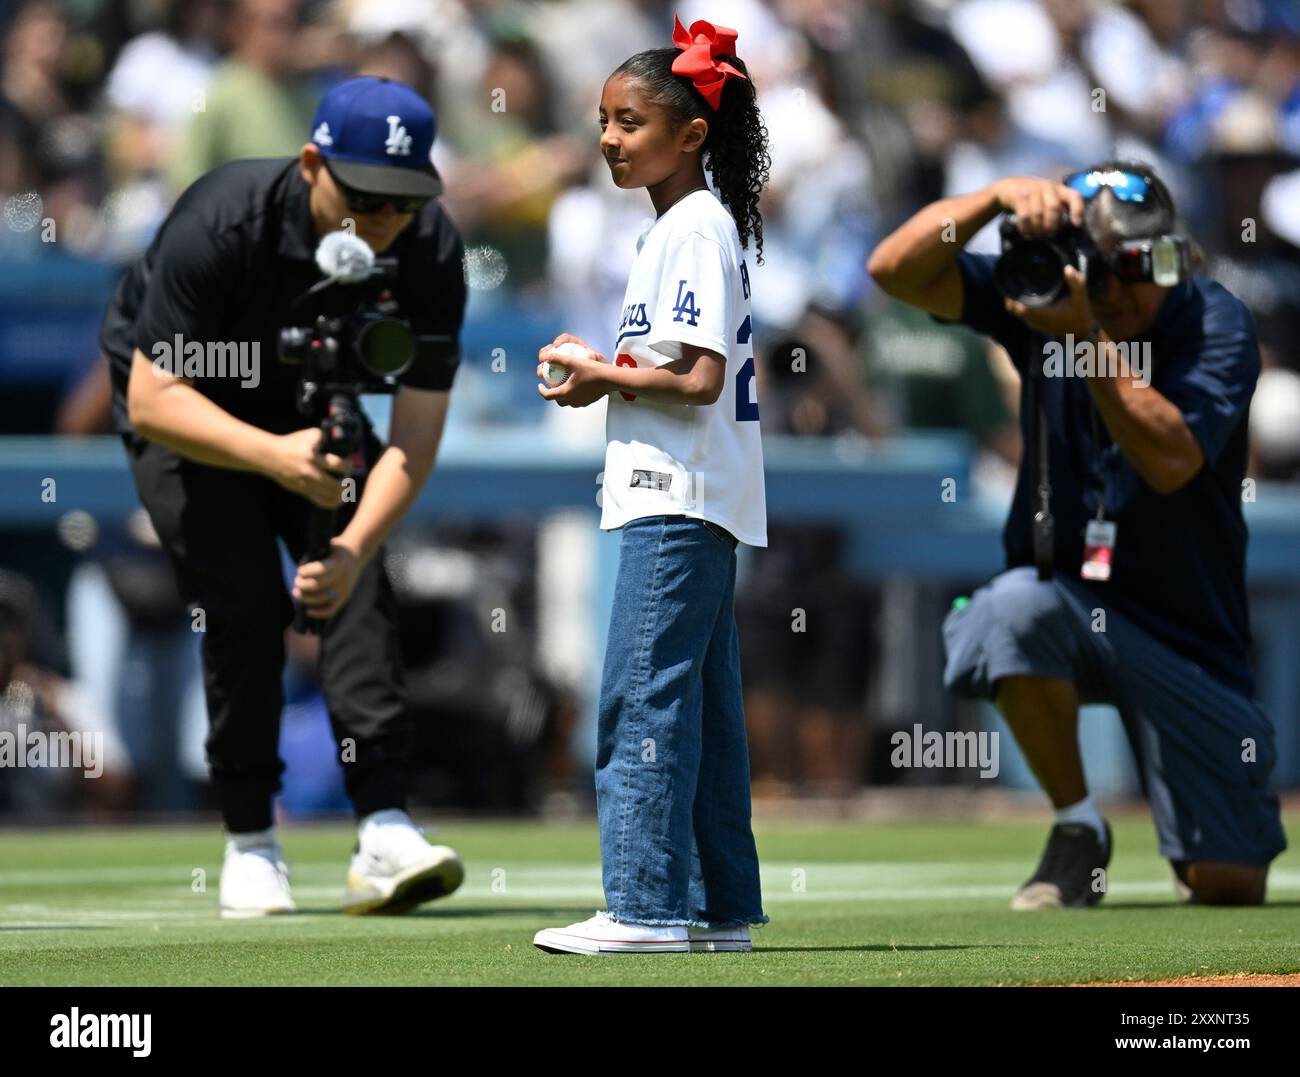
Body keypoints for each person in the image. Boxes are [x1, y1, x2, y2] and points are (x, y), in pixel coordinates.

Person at [868, 160, 1287, 908]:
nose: (1119, 290)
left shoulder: (1215, 320)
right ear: (1068, 265)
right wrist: (993, 196)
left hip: (1188, 633)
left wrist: (1085, 336)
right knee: (1002, 611)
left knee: (1226, 883)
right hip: (1067, 596)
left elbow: (1169, 459)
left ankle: (1190, 827)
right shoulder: (1039, 299)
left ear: (1173, 257)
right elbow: (893, 269)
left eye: (1139, 267)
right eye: (1100, 270)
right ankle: (1076, 827)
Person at [99, 75, 469, 918]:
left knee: (356, 579)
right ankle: (249, 840)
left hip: (309, 399)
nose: (385, 223)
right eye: (367, 198)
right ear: (312, 164)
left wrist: (347, 548)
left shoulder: (430, 250)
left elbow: (413, 437)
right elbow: (157, 395)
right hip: (192, 401)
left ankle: (383, 821)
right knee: (243, 604)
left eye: (405, 203)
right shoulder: (222, 220)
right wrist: (272, 457)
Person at [531, 17, 771, 954]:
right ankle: (714, 910)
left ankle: (642, 907)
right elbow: (680, 368)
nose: (608, 138)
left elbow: (699, 380)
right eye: (602, 119)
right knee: (701, 708)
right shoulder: (685, 227)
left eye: (629, 121)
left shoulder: (693, 227)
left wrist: (602, 378)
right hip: (695, 493)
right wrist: (607, 366)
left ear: (691, 135)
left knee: (640, 698)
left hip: (675, 496)